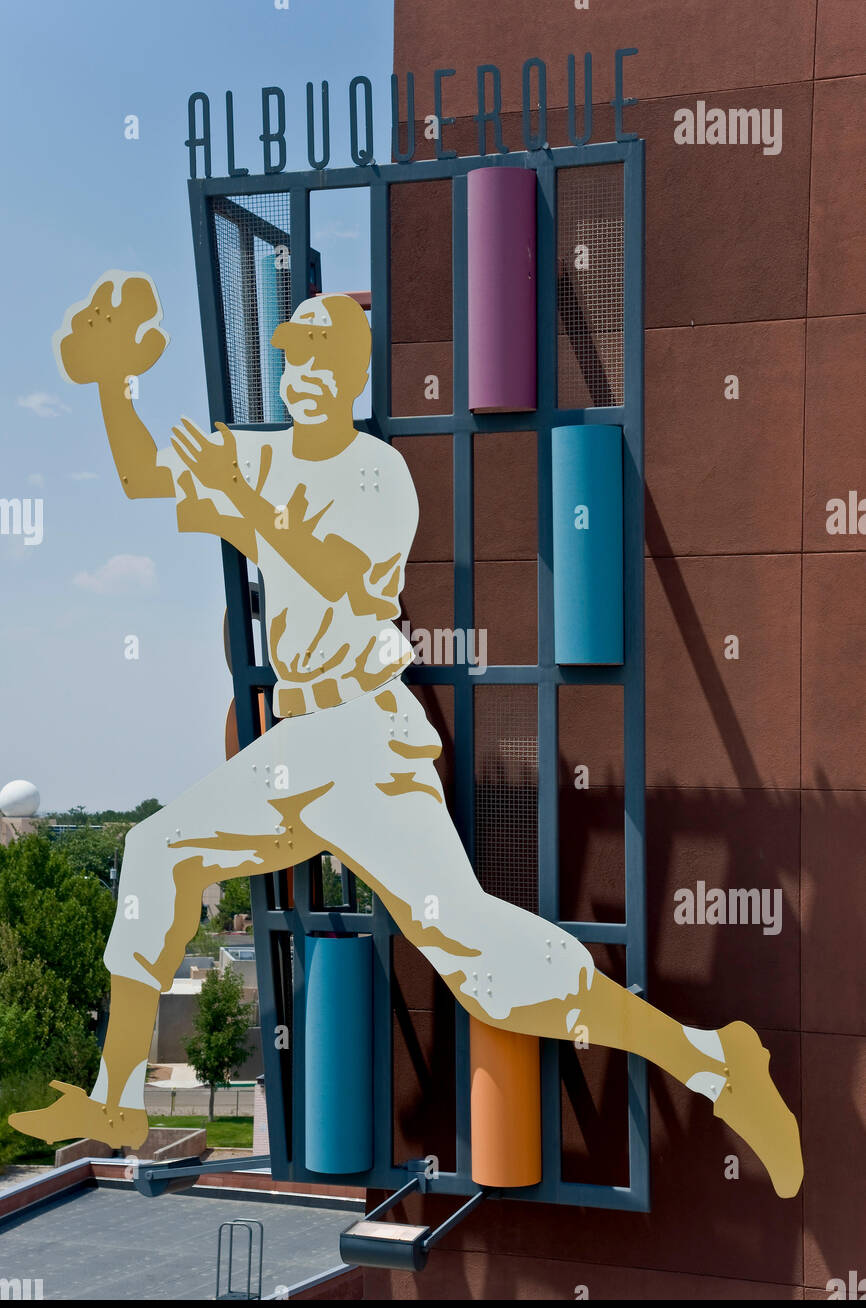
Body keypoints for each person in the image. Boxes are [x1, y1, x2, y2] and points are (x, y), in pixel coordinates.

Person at [11, 274, 802, 1198]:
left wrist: (249, 501)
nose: (302, 375)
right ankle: (116, 1100)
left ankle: (716, 1061)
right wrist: (114, 384)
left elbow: (347, 579)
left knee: (486, 972)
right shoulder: (257, 458)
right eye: (293, 360)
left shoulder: (376, 473)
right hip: (298, 743)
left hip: (364, 741)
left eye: (321, 360)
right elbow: (144, 474)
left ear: (350, 379)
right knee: (153, 852)